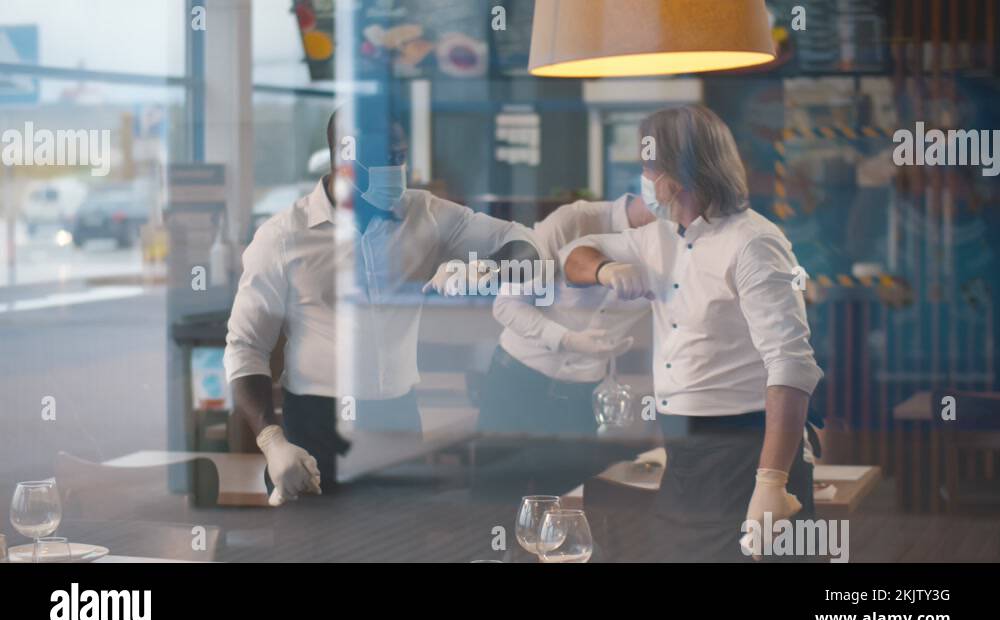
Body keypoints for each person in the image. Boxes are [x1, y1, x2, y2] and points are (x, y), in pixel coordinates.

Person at [224, 113, 541, 506]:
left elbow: (524, 239)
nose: (397, 168)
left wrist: (489, 266)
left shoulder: (425, 214)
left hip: (398, 418)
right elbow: (245, 348)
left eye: (401, 155)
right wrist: (271, 441)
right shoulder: (283, 237)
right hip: (314, 426)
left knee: (402, 547)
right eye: (385, 157)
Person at [561, 106, 824, 562]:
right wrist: (604, 270)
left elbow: (791, 366)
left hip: (749, 452)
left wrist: (771, 483)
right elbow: (572, 256)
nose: (641, 178)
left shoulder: (753, 242)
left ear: (679, 174)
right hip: (685, 457)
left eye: (647, 166)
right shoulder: (657, 238)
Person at [478, 193, 656, 436]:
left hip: (583, 397)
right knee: (498, 474)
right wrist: (567, 339)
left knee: (578, 475)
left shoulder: (673, 248)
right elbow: (507, 304)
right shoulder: (571, 221)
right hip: (516, 382)